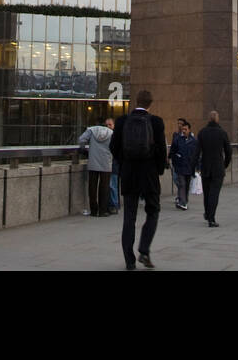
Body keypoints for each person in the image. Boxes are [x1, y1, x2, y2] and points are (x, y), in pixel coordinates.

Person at [111, 90, 167, 269]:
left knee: (129, 217)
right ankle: (144, 250)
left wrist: (124, 162)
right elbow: (161, 151)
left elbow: (114, 147)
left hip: (129, 174)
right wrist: (158, 170)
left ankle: (129, 260)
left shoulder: (121, 121)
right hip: (149, 174)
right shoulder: (156, 122)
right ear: (151, 103)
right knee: (153, 211)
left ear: (136, 101)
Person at [195, 110, 232, 227]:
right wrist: (225, 164)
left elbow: (196, 151)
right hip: (218, 167)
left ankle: (207, 212)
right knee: (214, 193)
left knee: (207, 193)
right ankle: (211, 217)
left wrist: (194, 166)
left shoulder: (202, 132)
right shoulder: (222, 133)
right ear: (217, 119)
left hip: (205, 166)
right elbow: (228, 151)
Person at [79, 117, 115, 217]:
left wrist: (85, 150)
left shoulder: (91, 130)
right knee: (104, 187)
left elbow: (81, 139)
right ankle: (102, 211)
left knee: (92, 187)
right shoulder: (111, 133)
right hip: (106, 163)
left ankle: (94, 210)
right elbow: (115, 146)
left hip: (93, 162)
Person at [168, 119, 198, 211]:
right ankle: (182, 202)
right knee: (182, 184)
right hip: (180, 166)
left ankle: (184, 200)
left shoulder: (194, 141)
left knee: (187, 184)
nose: (184, 131)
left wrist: (198, 167)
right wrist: (173, 158)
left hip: (189, 167)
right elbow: (172, 151)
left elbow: (197, 155)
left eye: (185, 129)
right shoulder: (178, 140)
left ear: (189, 130)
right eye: (183, 129)